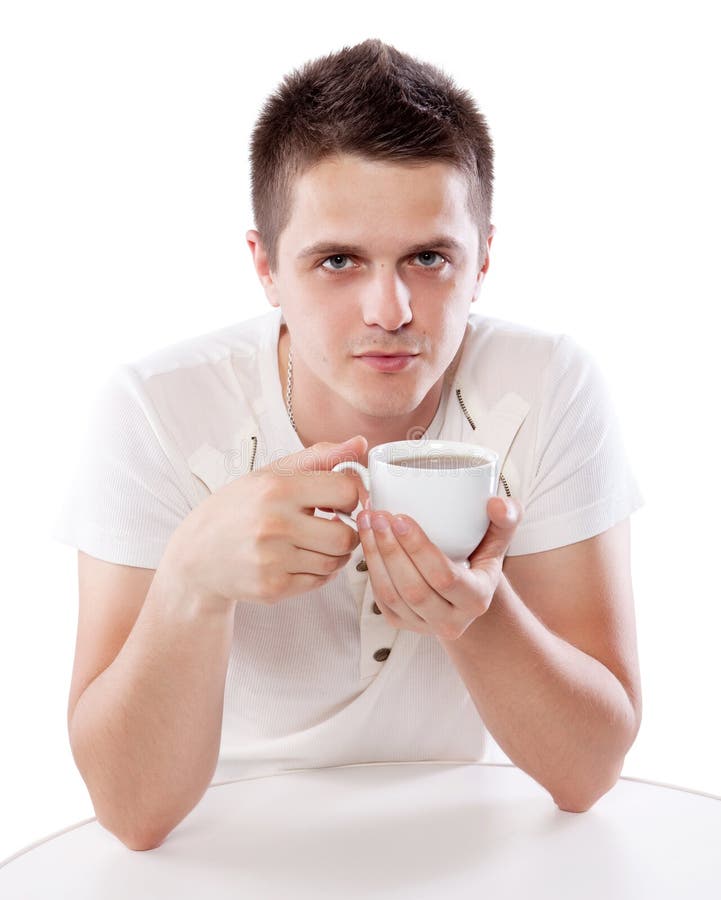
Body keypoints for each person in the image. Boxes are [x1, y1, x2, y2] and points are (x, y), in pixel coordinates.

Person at [53, 38, 644, 851]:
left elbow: (587, 774)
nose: (390, 309)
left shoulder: (544, 385)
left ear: (482, 261)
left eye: (429, 257)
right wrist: (193, 580)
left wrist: (479, 613)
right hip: (227, 844)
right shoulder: (156, 409)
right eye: (337, 260)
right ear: (265, 268)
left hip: (461, 832)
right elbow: (132, 812)